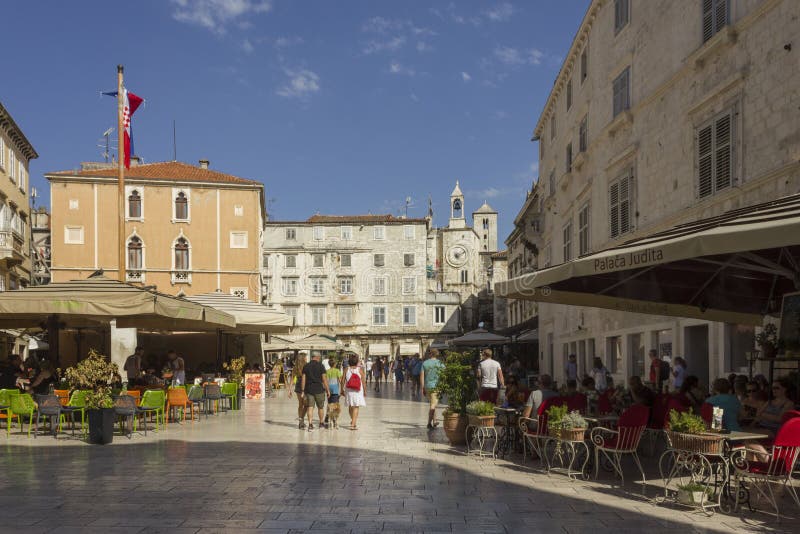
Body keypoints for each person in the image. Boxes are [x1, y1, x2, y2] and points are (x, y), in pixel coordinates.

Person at [301, 351, 329, 431]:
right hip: (319, 389)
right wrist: (327, 390)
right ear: (317, 357)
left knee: (310, 407)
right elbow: (324, 379)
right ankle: (321, 423)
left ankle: (310, 424)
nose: (320, 359)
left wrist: (303, 390)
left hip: (309, 390)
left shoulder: (306, 366)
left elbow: (303, 379)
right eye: (319, 358)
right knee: (320, 407)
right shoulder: (321, 366)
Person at [420, 349, 445, 429]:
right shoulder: (440, 363)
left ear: (430, 354)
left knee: (432, 404)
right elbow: (444, 375)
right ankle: (429, 423)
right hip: (436, 386)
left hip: (427, 386)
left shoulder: (425, 363)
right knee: (433, 405)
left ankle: (434, 421)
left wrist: (423, 387)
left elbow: (422, 376)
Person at [344, 354, 366, 430]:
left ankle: (353, 421)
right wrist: (365, 391)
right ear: (357, 362)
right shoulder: (360, 370)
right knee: (356, 406)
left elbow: (342, 380)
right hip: (358, 390)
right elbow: (363, 382)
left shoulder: (346, 369)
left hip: (349, 390)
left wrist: (341, 390)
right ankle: (353, 424)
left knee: (350, 406)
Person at [289, 354, 307, 429]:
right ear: (303, 358)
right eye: (305, 357)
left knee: (300, 404)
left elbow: (292, 379)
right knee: (306, 405)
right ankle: (301, 420)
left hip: (298, 386)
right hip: (305, 385)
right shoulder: (306, 366)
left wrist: (289, 390)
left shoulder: (295, 368)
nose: (306, 358)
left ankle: (301, 421)